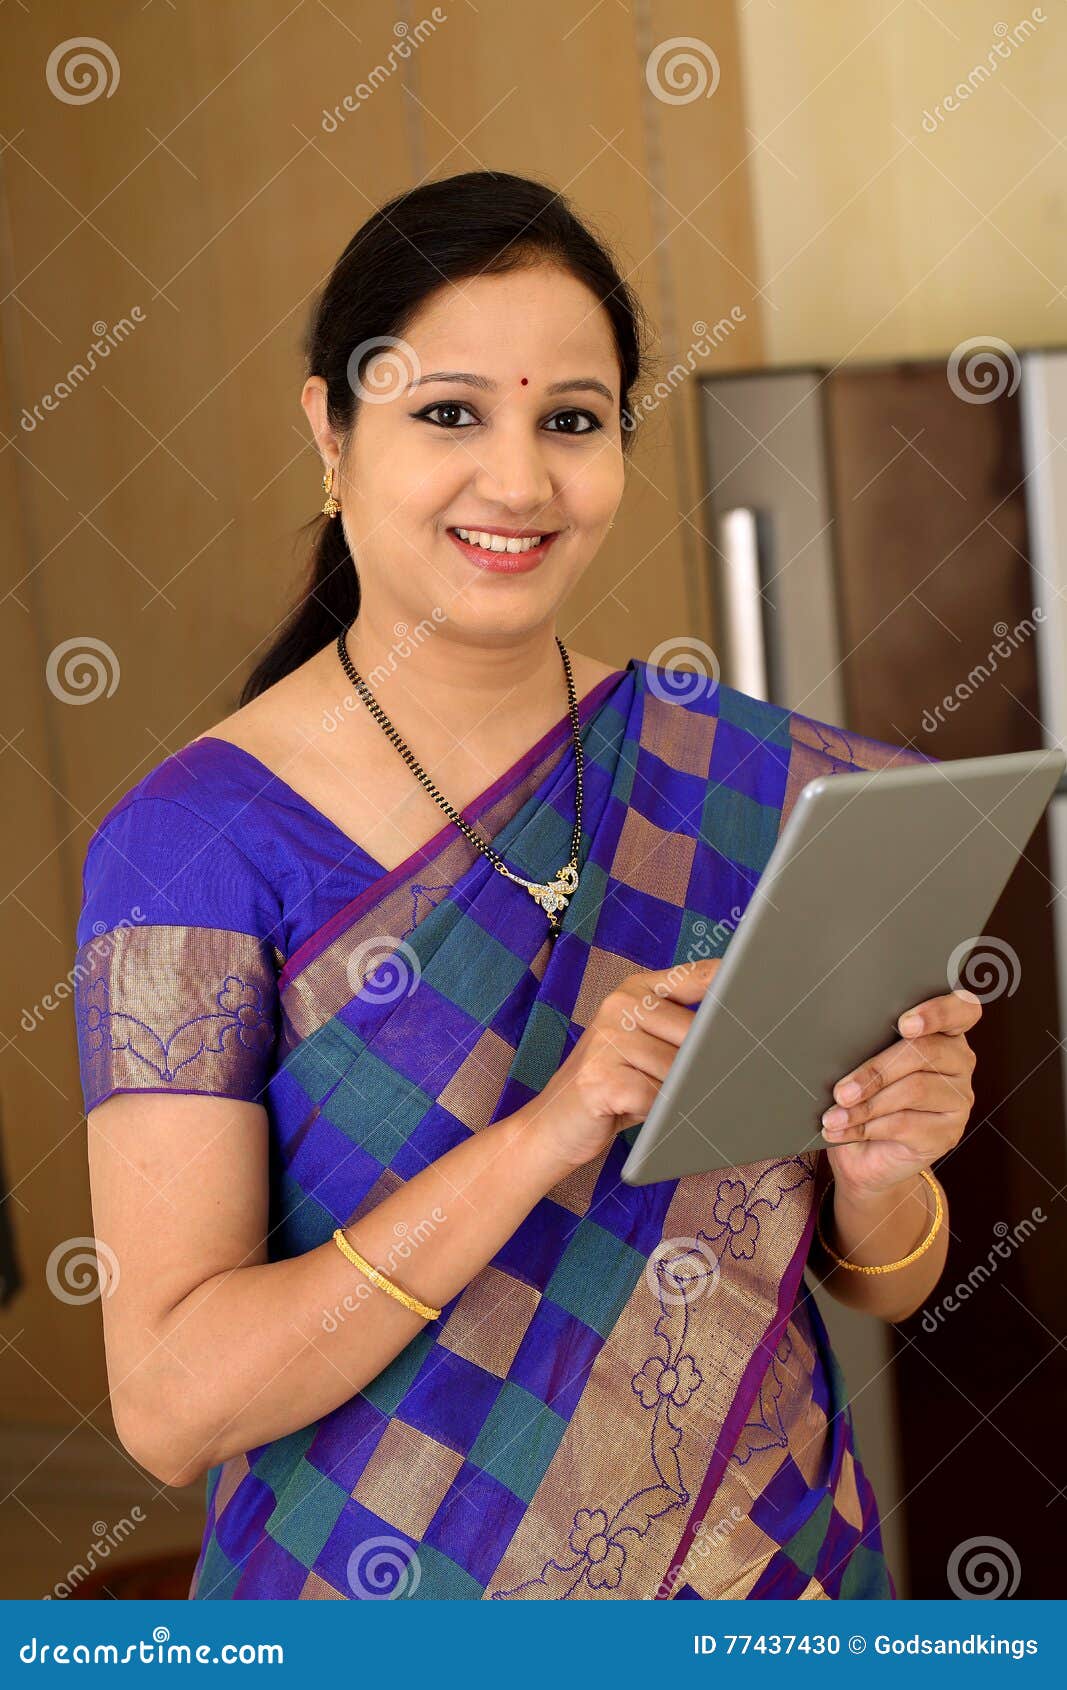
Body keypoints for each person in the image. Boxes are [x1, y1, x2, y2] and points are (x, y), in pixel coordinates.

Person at [72, 170, 979, 1601]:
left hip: (774, 1585)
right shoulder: (193, 844)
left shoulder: (767, 791)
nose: (518, 480)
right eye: (448, 414)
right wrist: (547, 1130)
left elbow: (884, 1278)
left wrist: (884, 1180)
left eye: (571, 419)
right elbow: (174, 1405)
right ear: (331, 431)